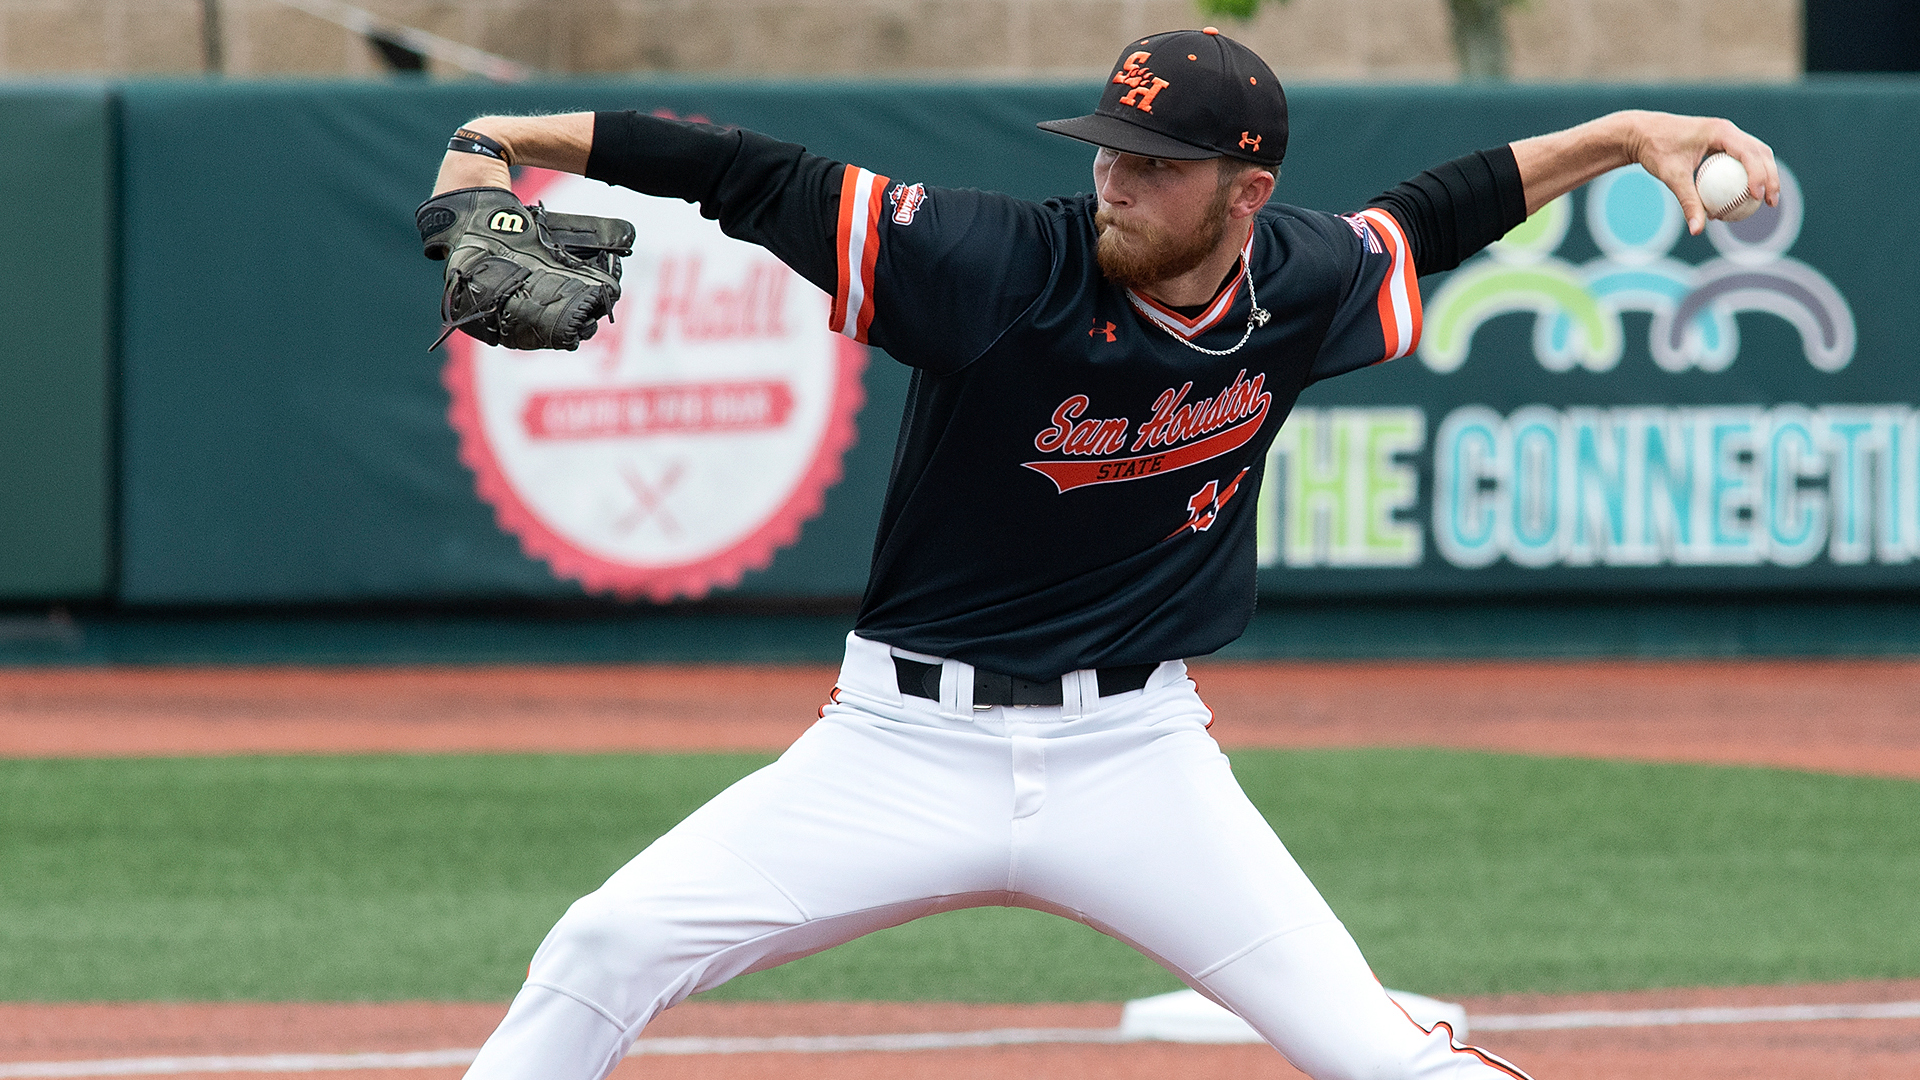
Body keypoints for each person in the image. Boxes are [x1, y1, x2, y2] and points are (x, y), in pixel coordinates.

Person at [427, 27, 1777, 1080]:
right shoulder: (987, 264)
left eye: (1158, 164)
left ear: (1248, 191)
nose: (1117, 181)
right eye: (1110, 149)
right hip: (895, 748)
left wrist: (1618, 134)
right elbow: (743, 173)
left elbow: (1441, 211)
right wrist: (496, 138)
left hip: (1139, 763)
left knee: (1373, 1050)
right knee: (604, 944)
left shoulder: (1302, 282)